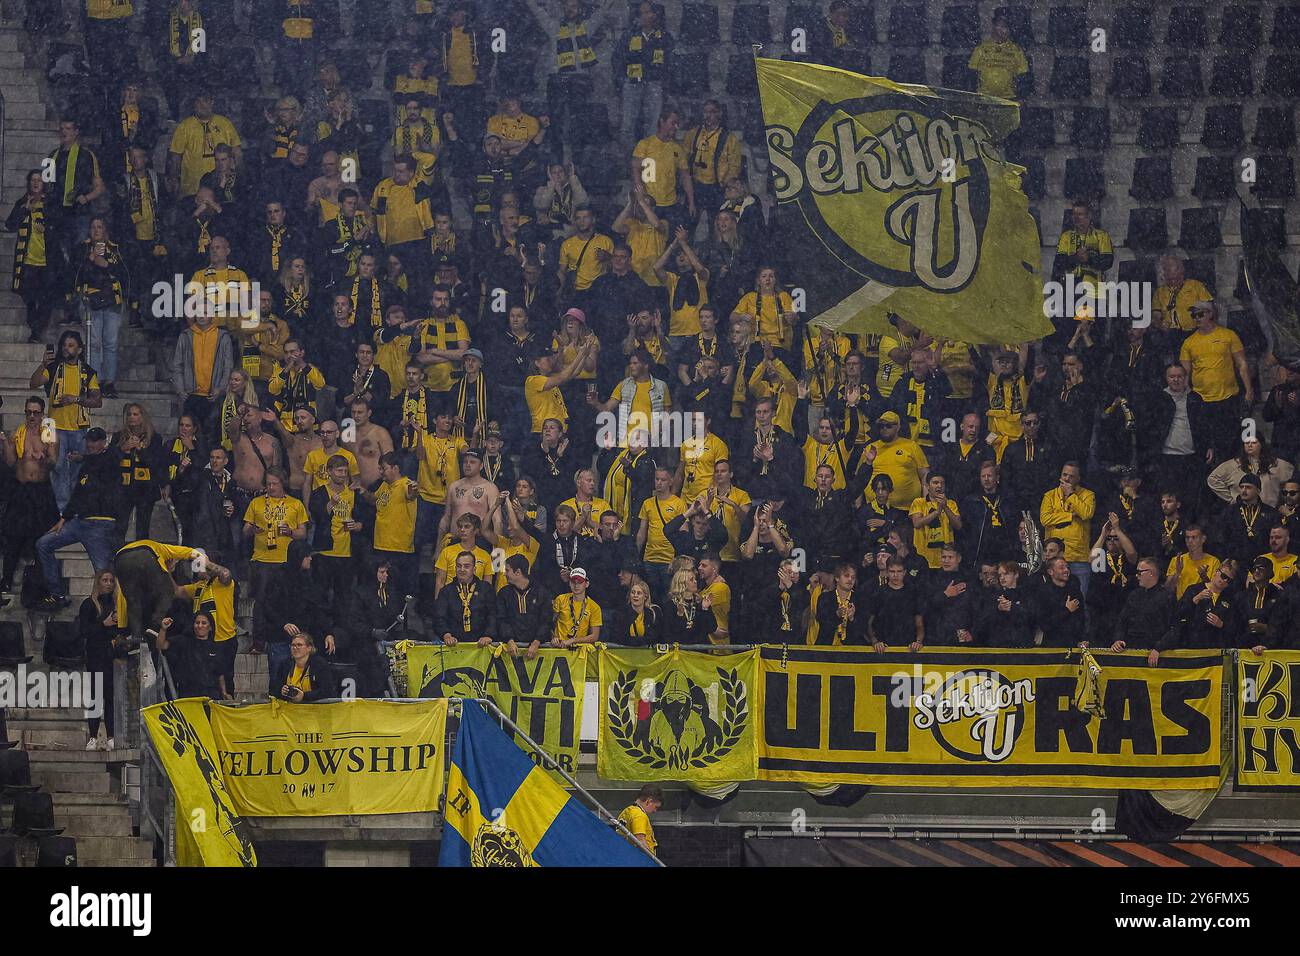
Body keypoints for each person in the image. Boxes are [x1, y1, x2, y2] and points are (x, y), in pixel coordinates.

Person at [36, 426, 120, 610]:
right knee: (43, 544)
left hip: (100, 524)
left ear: (103, 442)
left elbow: (110, 457)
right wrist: (63, 519)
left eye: (95, 441)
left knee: (103, 572)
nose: (90, 444)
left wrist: (84, 457)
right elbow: (77, 496)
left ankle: (111, 608)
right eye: (89, 441)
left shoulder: (111, 460)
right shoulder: (87, 465)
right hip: (79, 522)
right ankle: (57, 594)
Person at [30, 331, 102, 512]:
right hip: (53, 427)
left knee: (77, 470)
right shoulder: (53, 367)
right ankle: (62, 511)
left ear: (79, 349)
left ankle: (74, 510)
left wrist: (75, 399)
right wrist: (42, 365)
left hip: (79, 428)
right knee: (58, 468)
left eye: (70, 345)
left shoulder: (87, 371)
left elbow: (97, 401)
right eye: (64, 345)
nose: (65, 348)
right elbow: (33, 383)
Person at [1180, 300, 1253, 461]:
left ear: (1210, 314)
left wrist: (1249, 390)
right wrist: (1186, 397)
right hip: (1202, 399)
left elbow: (1242, 364)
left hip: (1227, 397)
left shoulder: (1228, 335)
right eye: (1193, 315)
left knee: (1230, 441)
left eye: (1200, 314)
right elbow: (1185, 373)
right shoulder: (1188, 342)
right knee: (1204, 444)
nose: (1196, 318)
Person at [1151, 560, 1244, 664]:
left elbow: (1236, 628)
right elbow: (1178, 615)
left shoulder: (1230, 599)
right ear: (1216, 572)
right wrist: (1195, 600)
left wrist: (1221, 624)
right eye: (1223, 576)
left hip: (1215, 653)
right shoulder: (1194, 590)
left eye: (1228, 580)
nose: (1224, 581)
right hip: (1192, 648)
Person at [5, 170, 56, 342]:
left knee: (46, 297)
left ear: (44, 184)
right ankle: (35, 327)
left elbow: (59, 226)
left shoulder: (50, 203)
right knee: (29, 297)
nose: (35, 183)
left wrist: (47, 228)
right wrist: (24, 210)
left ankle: (37, 331)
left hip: (46, 260)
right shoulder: (22, 202)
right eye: (33, 180)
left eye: (39, 180)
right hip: (27, 260)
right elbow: (10, 225)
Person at [79, 569, 126, 750]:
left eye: (111, 581)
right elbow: (84, 631)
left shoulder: (117, 604)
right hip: (95, 656)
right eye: (105, 580)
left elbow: (124, 630)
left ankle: (111, 736)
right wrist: (103, 624)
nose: (108, 584)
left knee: (112, 697)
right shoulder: (89, 604)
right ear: (98, 582)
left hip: (113, 656)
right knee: (96, 697)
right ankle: (92, 736)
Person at [1039, 462, 1096, 595]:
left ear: (1078, 478)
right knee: (1053, 598)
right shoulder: (1049, 495)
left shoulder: (1088, 495)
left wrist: (1071, 494)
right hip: (1054, 558)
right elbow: (1045, 519)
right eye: (1064, 475)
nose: (1067, 479)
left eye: (1071, 476)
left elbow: (1086, 514)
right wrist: (1070, 516)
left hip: (1078, 557)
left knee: (1079, 598)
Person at [433, 550, 498, 646]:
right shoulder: (446, 591)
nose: (462, 569)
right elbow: (439, 617)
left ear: (474, 569)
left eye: (466, 566)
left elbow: (493, 614)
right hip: (453, 645)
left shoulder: (486, 589)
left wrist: (489, 635)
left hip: (482, 644)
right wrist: (446, 634)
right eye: (459, 566)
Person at [498, 554, 553, 660]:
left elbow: (546, 621)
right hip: (511, 651)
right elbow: (501, 620)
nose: (504, 574)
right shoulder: (504, 593)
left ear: (518, 572)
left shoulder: (542, 593)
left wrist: (537, 642)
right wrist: (509, 640)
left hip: (539, 650)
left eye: (507, 570)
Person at [868, 557, 925, 651]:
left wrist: (918, 641)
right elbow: (869, 622)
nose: (895, 575)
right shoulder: (878, 593)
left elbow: (919, 622)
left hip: (908, 648)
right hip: (883, 648)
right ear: (887, 572)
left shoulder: (913, 592)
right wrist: (875, 641)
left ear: (904, 572)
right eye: (892, 571)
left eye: (899, 571)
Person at [270, 629, 339, 702]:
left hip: (314, 706)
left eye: (299, 645)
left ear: (309, 648)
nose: (295, 648)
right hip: (290, 706)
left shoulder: (319, 665)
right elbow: (274, 689)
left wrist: (304, 696)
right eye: (293, 645)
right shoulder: (285, 664)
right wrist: (281, 691)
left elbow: (328, 692)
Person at [664, 567, 717, 645]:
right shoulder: (671, 605)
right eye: (691, 580)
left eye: (695, 579)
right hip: (680, 650)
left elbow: (712, 628)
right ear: (682, 583)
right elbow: (668, 634)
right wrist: (679, 615)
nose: (695, 581)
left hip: (700, 650)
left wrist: (705, 609)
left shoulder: (700, 602)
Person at [551, 566, 602, 647]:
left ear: (586, 584)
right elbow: (549, 622)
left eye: (580, 582)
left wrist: (573, 640)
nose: (576, 585)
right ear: (569, 583)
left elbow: (594, 636)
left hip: (579, 649)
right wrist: (553, 637)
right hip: (558, 647)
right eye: (573, 582)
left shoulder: (594, 607)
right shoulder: (560, 599)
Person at [609, 578, 663, 646]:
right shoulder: (620, 614)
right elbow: (618, 638)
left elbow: (654, 638)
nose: (635, 595)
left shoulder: (652, 613)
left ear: (645, 596)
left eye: (639, 593)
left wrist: (636, 641)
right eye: (633, 592)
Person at [617, 783, 664, 858]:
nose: (655, 811)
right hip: (638, 858)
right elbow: (640, 841)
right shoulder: (639, 815)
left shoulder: (628, 810)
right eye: (656, 807)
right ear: (649, 801)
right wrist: (651, 859)